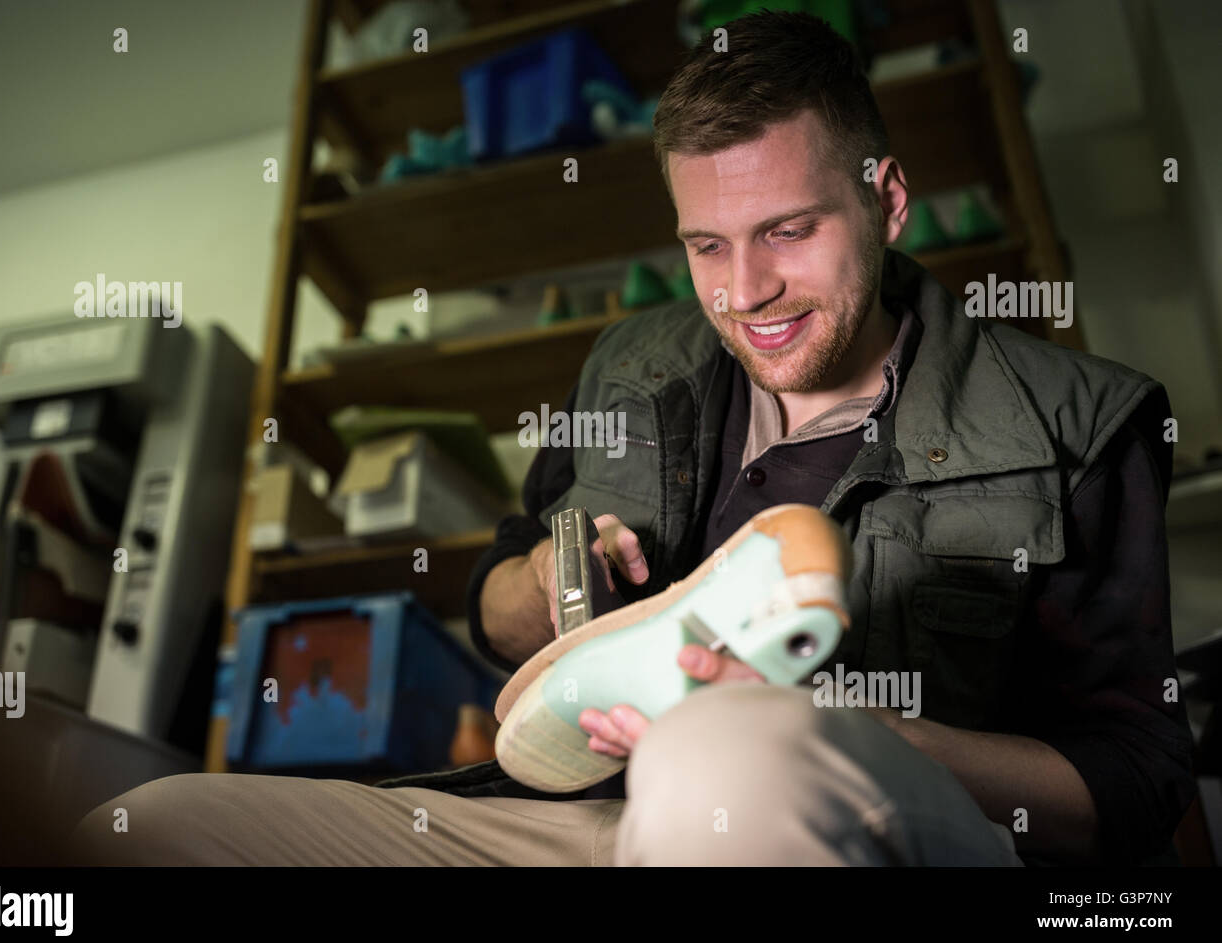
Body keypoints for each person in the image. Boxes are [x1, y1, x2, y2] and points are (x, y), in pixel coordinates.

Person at [69, 10, 1194, 867]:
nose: (747, 289)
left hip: (851, 813)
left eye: (788, 231)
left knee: (727, 748)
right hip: (584, 823)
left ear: (887, 201)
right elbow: (494, 601)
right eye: (706, 244)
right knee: (154, 826)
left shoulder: (1078, 421)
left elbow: (1136, 781)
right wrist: (559, 587)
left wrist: (843, 722)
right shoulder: (629, 366)